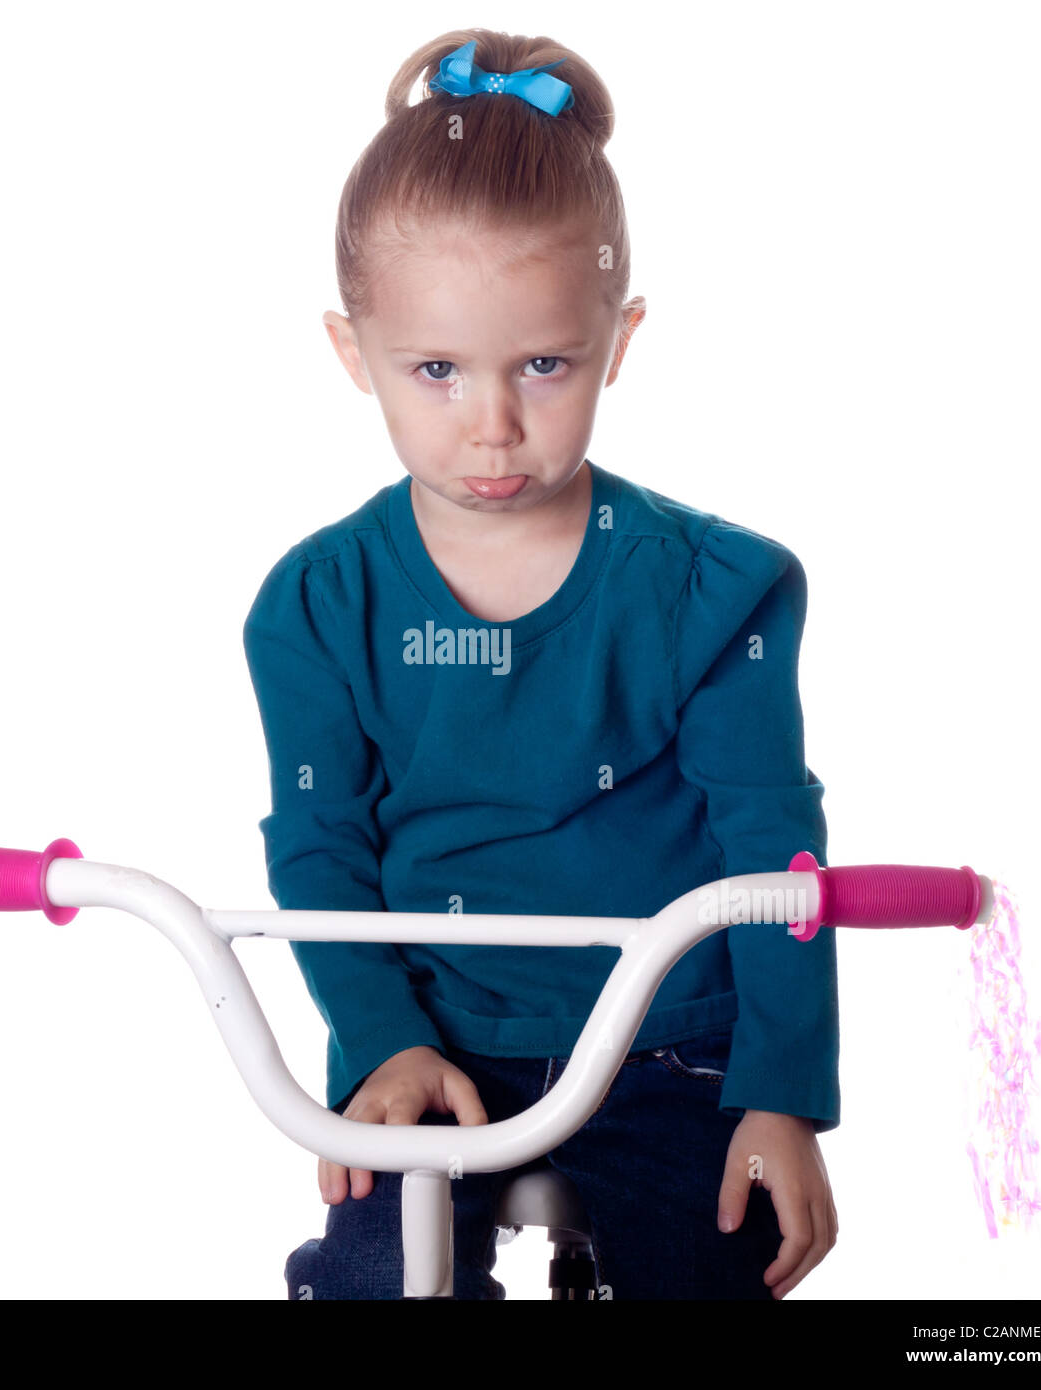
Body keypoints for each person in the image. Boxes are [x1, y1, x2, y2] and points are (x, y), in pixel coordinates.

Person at [243, 28, 839, 1300]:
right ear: (355, 358)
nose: (495, 423)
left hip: (670, 1047)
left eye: (544, 365)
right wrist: (384, 1039)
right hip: (438, 1044)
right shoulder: (313, 604)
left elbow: (771, 856)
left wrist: (780, 1095)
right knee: (371, 1280)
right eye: (438, 371)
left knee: (712, 1271)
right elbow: (319, 851)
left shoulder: (714, 590)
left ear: (616, 341)